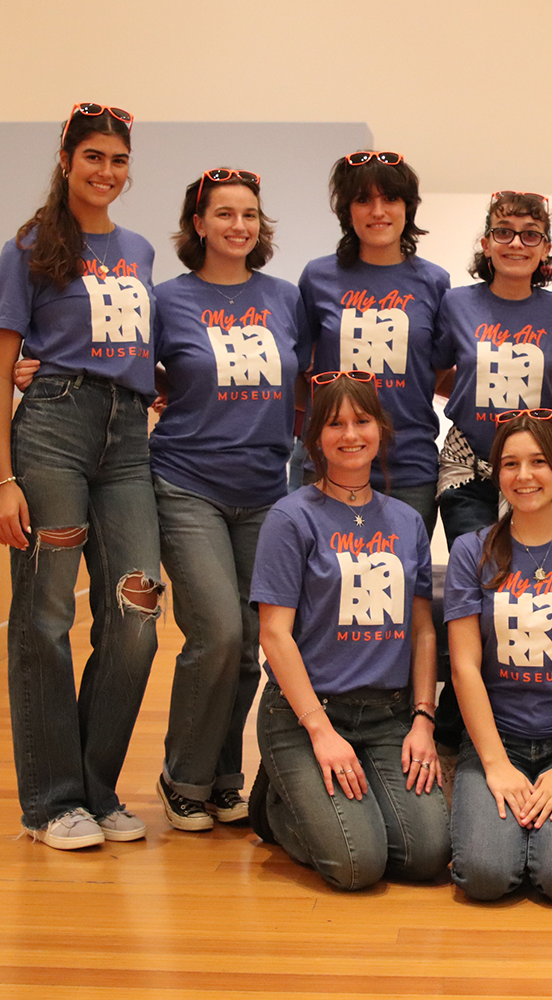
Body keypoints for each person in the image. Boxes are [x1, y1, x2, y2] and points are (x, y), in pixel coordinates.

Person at [0, 102, 161, 850]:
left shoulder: (142, 249)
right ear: (66, 160)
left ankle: (95, 786)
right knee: (47, 616)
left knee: (137, 617)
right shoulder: (27, 247)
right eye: (93, 157)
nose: (106, 173)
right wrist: (0, 480)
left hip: (126, 439)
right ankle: (51, 803)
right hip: (52, 428)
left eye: (118, 160)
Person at [146, 169, 309, 830]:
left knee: (250, 645)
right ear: (199, 225)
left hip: (268, 489)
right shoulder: (166, 300)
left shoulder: (286, 298)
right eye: (223, 214)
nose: (238, 225)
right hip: (187, 483)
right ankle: (181, 775)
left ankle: (222, 777)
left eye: (248, 214)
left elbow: (308, 378)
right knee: (216, 632)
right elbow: (126, 366)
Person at [248, 371, 450, 890]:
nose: (350, 434)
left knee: (428, 854)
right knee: (359, 866)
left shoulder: (407, 521)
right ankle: (275, 806)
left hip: (387, 715)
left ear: (380, 429)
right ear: (315, 438)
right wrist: (319, 731)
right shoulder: (290, 518)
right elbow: (274, 635)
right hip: (306, 714)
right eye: (335, 424)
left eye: (362, 420)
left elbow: (424, 631)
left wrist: (423, 720)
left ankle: (333, 803)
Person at [443, 411, 552, 902]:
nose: (524, 477)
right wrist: (495, 763)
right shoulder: (470, 550)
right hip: (495, 740)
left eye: (538, 462)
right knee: (484, 877)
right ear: (496, 473)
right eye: (510, 464)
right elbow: (463, 668)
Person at [298, 150, 450, 533]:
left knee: (399, 587)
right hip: (328, 461)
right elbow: (298, 370)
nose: (377, 211)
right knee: (320, 587)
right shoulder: (318, 278)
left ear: (408, 207)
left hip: (409, 465)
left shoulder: (435, 282)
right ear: (347, 211)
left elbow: (436, 371)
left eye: (390, 199)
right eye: (363, 200)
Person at [435, 191, 552, 549]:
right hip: (469, 470)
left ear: (545, 248)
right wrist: (476, 392)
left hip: (538, 470)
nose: (516, 243)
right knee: (476, 572)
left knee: (534, 579)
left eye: (530, 234)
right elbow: (434, 375)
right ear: (486, 243)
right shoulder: (456, 304)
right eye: (504, 231)